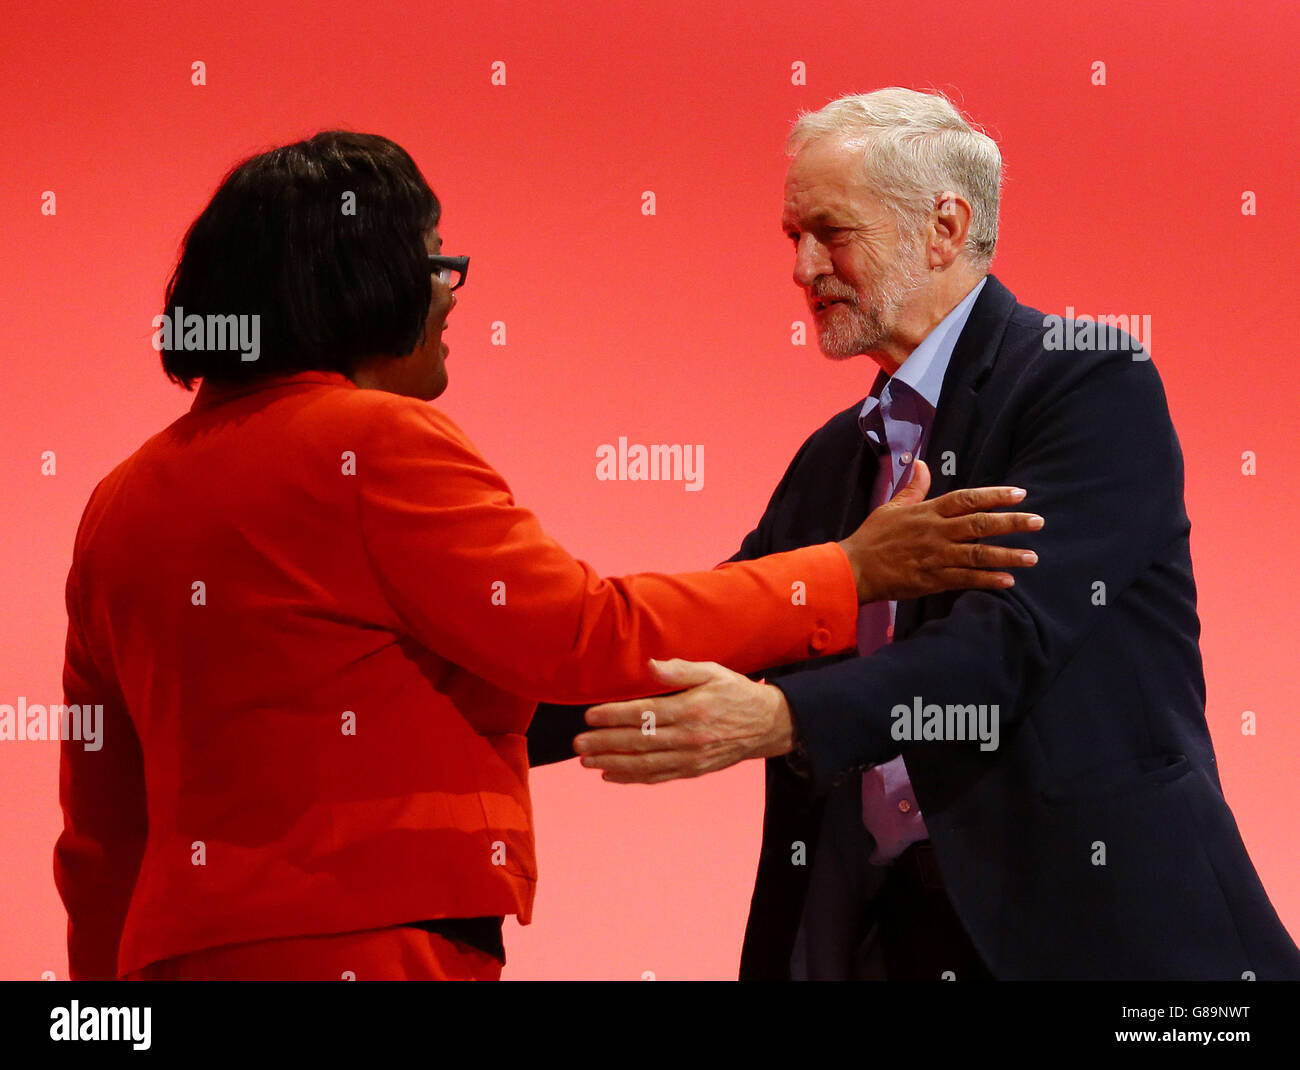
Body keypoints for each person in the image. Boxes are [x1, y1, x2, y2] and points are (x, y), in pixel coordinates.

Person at [52, 130, 1041, 982]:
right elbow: (584, 634)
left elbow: (98, 828)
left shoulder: (120, 502)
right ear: (362, 283)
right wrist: (850, 571)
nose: (452, 289)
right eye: (436, 259)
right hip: (371, 944)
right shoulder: (374, 443)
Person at [572, 88, 1300, 980]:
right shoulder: (837, 456)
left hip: (1094, 931)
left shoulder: (1085, 382)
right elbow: (732, 623)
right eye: (791, 237)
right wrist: (480, 705)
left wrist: (783, 718)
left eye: (830, 233)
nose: (802, 269)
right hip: (884, 934)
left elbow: (1005, 648)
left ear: (944, 228)